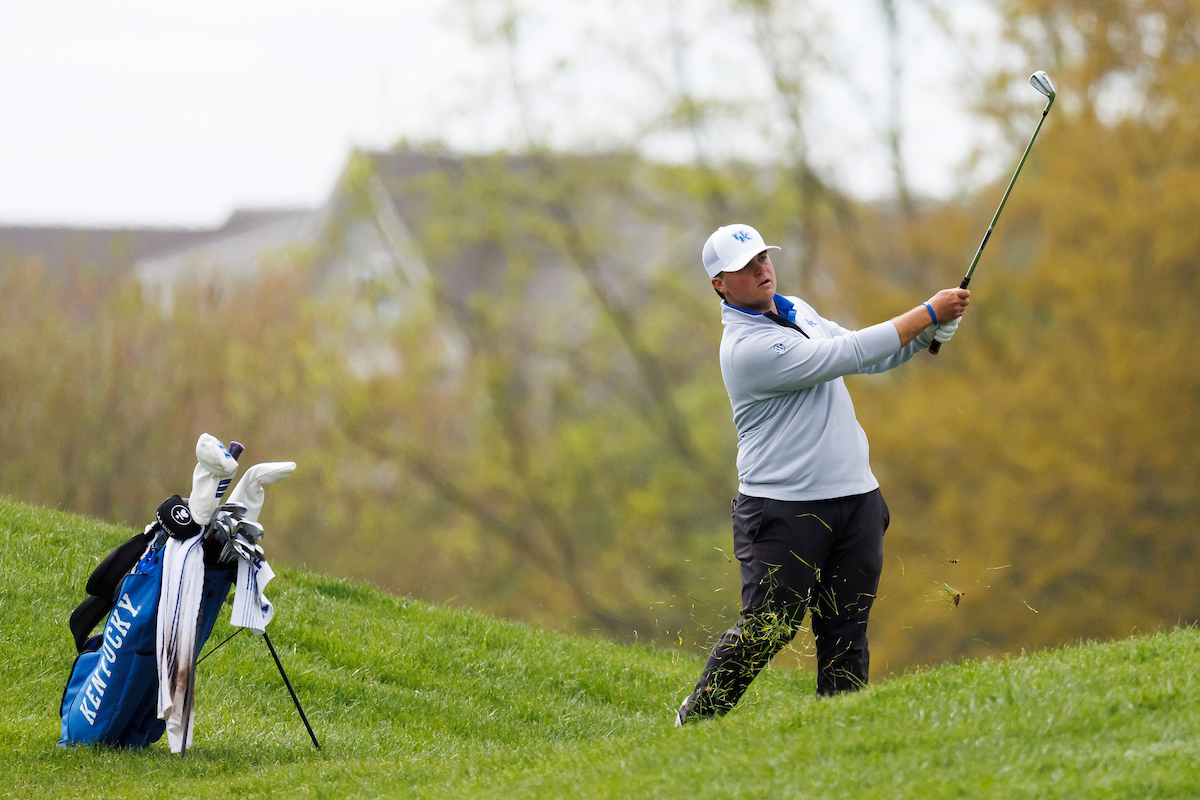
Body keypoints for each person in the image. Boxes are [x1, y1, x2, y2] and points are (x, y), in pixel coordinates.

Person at [676, 223, 970, 725]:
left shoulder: (797, 311)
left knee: (846, 626)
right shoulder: (746, 349)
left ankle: (841, 731)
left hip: (857, 499)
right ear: (720, 285)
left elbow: (866, 352)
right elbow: (846, 355)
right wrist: (925, 314)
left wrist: (925, 338)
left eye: (763, 258)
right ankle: (698, 719)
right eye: (744, 267)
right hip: (782, 509)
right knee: (770, 626)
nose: (761, 269)